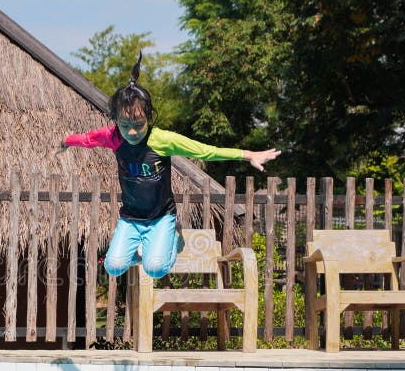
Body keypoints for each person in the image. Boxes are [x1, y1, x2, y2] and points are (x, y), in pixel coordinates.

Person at [58, 54, 280, 279]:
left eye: (138, 125)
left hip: (162, 217)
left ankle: (174, 237)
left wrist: (248, 154)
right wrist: (66, 141)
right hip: (131, 218)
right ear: (116, 120)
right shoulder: (113, 137)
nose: (132, 132)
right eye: (125, 126)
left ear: (149, 117)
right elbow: (87, 139)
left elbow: (205, 150)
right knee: (112, 267)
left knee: (155, 270)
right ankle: (138, 252)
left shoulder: (162, 140)